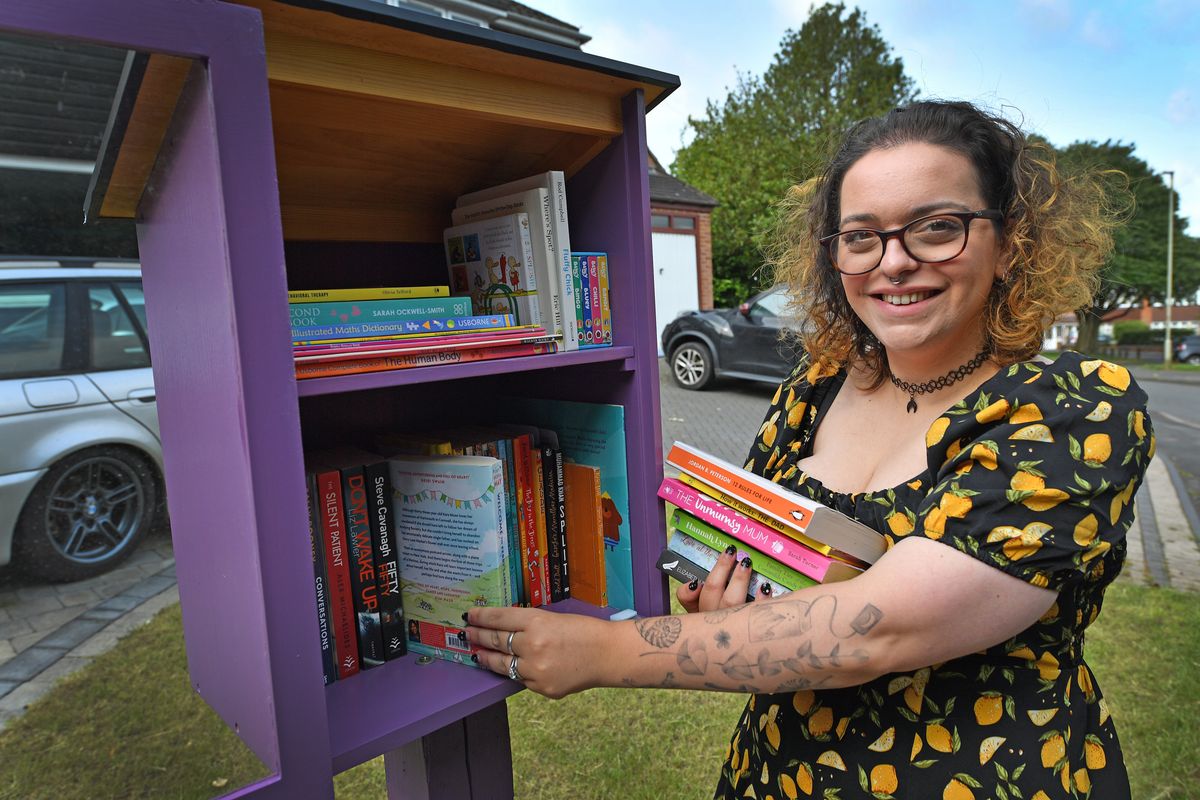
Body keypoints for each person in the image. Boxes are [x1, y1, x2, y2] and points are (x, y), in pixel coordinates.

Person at [464, 100, 1153, 798]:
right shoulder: (815, 387)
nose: (895, 262)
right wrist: (720, 604)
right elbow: (749, 560)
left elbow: (874, 632)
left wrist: (606, 652)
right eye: (861, 238)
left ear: (1010, 244)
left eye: (938, 228)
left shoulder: (1074, 407)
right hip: (780, 773)